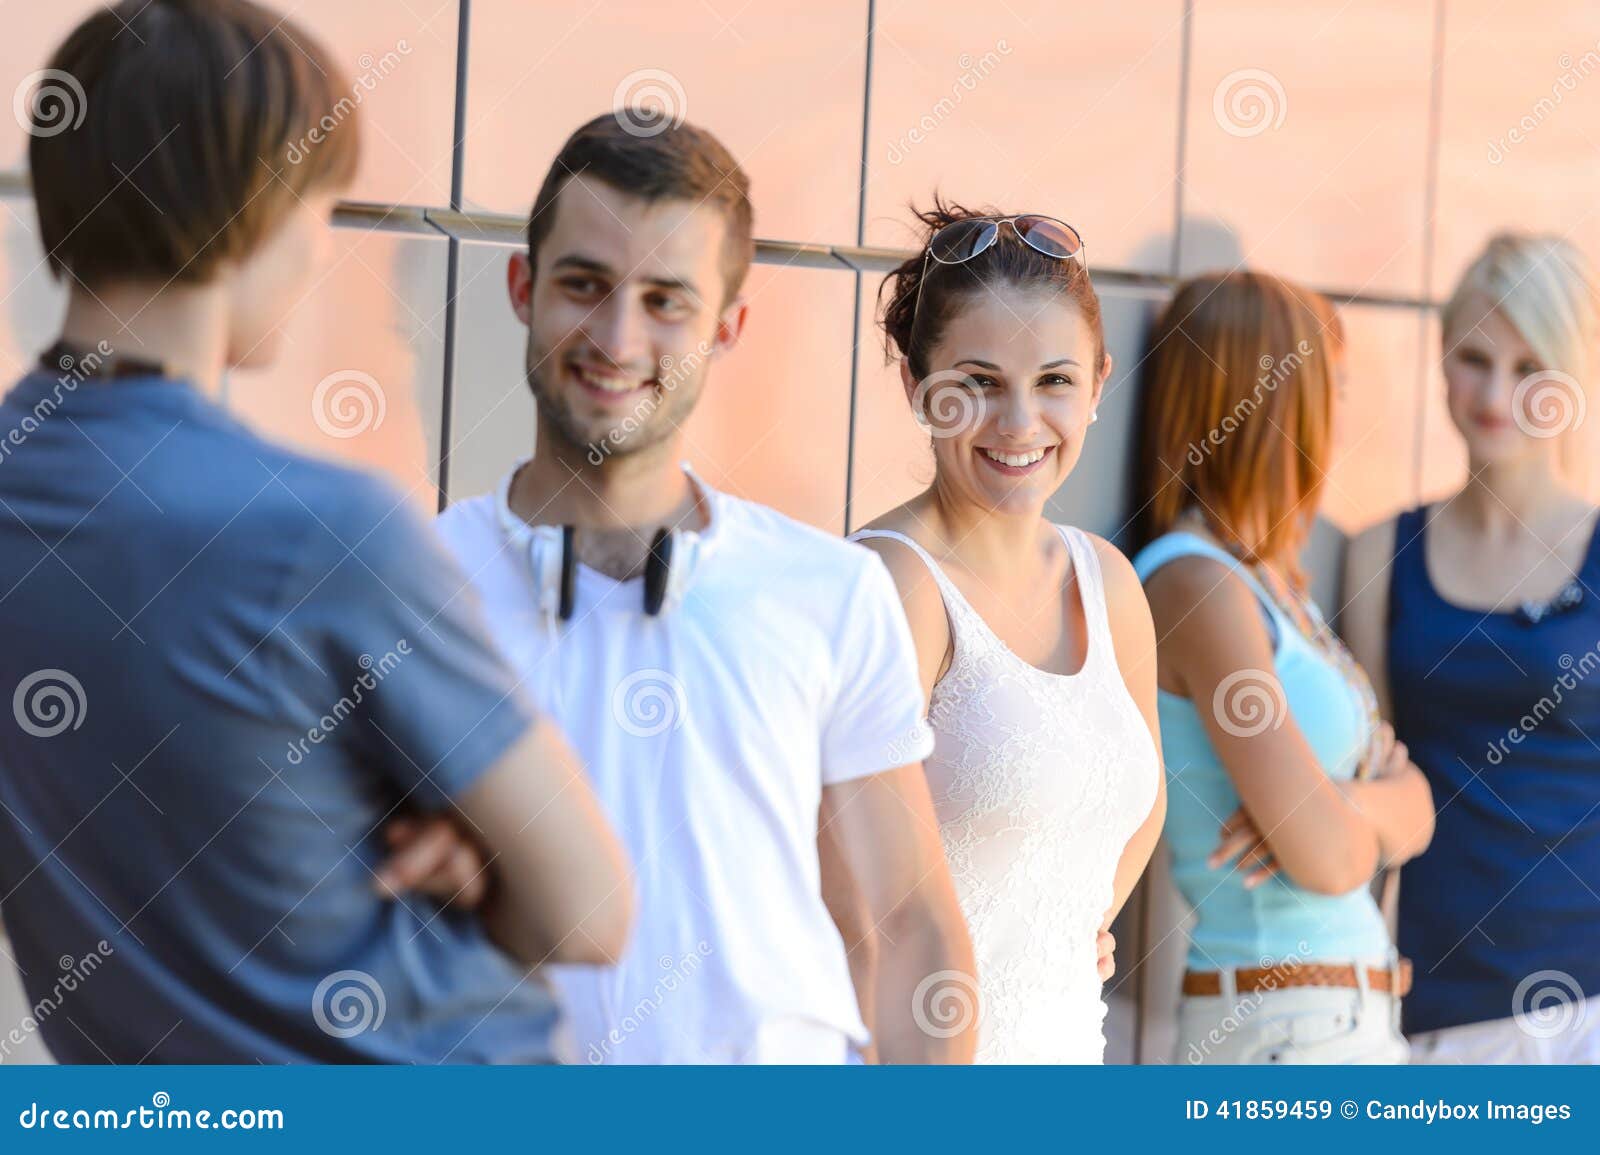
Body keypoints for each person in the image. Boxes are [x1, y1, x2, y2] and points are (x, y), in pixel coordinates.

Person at [0, 0, 630, 1065]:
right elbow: (589, 908)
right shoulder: (319, 530)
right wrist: (472, 855)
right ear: (260, 210)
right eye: (321, 211)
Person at [431, 113, 976, 1064]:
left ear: (727, 326)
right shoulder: (408, 587)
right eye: (583, 284)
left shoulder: (831, 591)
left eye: (666, 300)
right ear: (524, 288)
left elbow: (917, 927)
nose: (616, 336)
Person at [848, 203, 1165, 1064]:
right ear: (921, 390)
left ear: (1098, 384)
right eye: (980, 383)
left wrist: (1072, 913)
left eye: (1054, 381)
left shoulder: (1108, 579)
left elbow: (1143, 801)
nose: (1019, 423)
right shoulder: (889, 584)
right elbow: (850, 895)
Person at [1131, 271, 1435, 1064]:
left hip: (1340, 1016)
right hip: (1281, 1029)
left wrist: (1331, 803)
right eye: (1327, 392)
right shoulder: (1198, 587)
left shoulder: (1275, 584)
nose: (1336, 422)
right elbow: (1330, 861)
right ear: (1275, 407)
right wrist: (1351, 815)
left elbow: (1420, 807)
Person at [1344, 234, 1600, 1063]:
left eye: (1530, 368)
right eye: (1474, 357)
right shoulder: (1379, 551)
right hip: (1435, 998)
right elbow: (1369, 771)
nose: (1496, 394)